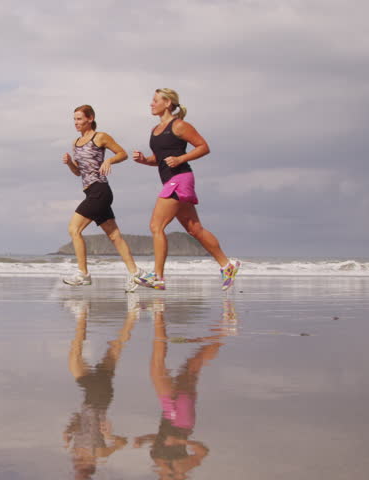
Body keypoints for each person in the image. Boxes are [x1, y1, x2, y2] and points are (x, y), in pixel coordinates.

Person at [132, 89, 240, 291]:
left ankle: (158, 277)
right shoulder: (155, 129)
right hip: (172, 180)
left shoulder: (179, 125)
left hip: (180, 178)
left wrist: (181, 159)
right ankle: (227, 265)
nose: (151, 104)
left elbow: (203, 146)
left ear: (168, 103)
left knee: (156, 226)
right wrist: (144, 160)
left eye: (155, 100)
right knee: (194, 229)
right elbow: (160, 159)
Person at [132, 298, 236, 479]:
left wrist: (145, 439)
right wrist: (181, 440)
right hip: (181, 422)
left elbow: (162, 437)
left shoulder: (160, 464)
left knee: (192, 365)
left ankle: (224, 329)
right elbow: (203, 451)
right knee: (159, 368)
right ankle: (158, 313)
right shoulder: (180, 470)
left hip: (170, 418)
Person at [61, 105, 144, 291]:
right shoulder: (76, 142)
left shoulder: (100, 137)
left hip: (101, 191)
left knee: (74, 229)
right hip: (91, 191)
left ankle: (83, 274)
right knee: (114, 236)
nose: (76, 123)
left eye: (79, 119)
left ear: (90, 119)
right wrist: (69, 164)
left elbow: (122, 153)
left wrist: (109, 160)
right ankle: (135, 273)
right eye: (74, 119)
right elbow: (78, 173)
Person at [63, 298, 138, 479]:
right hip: (98, 399)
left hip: (94, 399)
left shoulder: (76, 450)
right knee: (79, 354)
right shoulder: (100, 454)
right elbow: (123, 442)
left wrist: (69, 430)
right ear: (90, 469)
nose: (78, 463)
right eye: (83, 469)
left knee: (113, 349)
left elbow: (82, 422)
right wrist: (109, 435)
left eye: (77, 469)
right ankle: (83, 312)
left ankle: (132, 314)